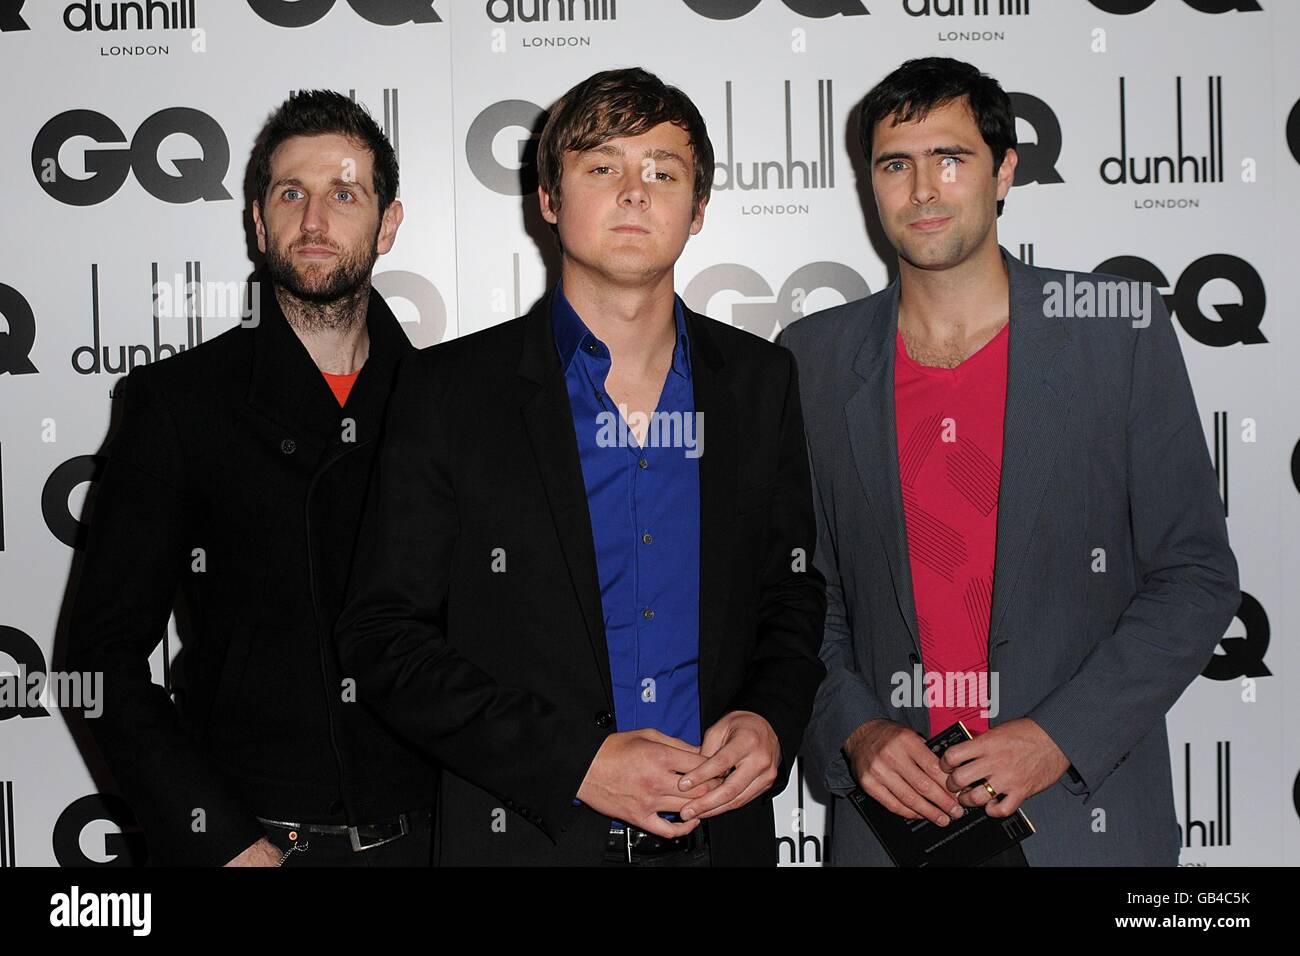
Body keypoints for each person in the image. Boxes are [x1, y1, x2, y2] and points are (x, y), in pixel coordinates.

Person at [334, 67, 826, 866]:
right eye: (603, 167)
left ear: (697, 211)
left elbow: (792, 592)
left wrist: (770, 716)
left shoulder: (761, 382)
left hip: (720, 843)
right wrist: (576, 764)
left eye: (663, 172)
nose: (636, 192)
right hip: (527, 842)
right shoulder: (447, 391)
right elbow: (383, 636)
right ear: (549, 201)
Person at [779, 57, 1239, 866]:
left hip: (1080, 817)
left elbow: (1194, 575)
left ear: (1004, 172)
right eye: (896, 164)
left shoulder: (1115, 335)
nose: (923, 189)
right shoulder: (813, 359)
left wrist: (1058, 736)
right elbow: (801, 591)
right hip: (895, 829)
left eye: (950, 158)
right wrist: (856, 728)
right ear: (870, 183)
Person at [66, 90, 435, 867]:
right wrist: (222, 840)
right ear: (259, 222)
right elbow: (98, 657)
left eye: (344, 194)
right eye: (291, 194)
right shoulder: (178, 405)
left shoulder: (449, 402)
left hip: (431, 841)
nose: (315, 222)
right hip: (256, 841)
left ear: (387, 222)